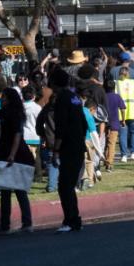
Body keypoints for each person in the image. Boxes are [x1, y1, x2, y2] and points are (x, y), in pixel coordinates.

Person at [48, 67, 88, 232]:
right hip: (78, 144)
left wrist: (56, 150)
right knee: (69, 185)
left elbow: (61, 127)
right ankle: (74, 219)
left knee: (64, 186)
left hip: (68, 147)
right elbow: (83, 123)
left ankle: (71, 220)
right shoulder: (75, 98)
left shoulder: (62, 99)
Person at [0, 85, 35, 235]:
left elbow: (18, 135)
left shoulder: (15, 114)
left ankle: (27, 222)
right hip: (3, 151)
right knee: (5, 191)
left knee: (19, 190)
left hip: (15, 153)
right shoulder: (0, 113)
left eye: (4, 97)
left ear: (10, 99)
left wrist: (12, 154)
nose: (1, 100)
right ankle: (5, 225)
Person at [115, 58, 134, 162]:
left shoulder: (116, 83)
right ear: (128, 74)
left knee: (122, 133)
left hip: (121, 112)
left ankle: (124, 155)